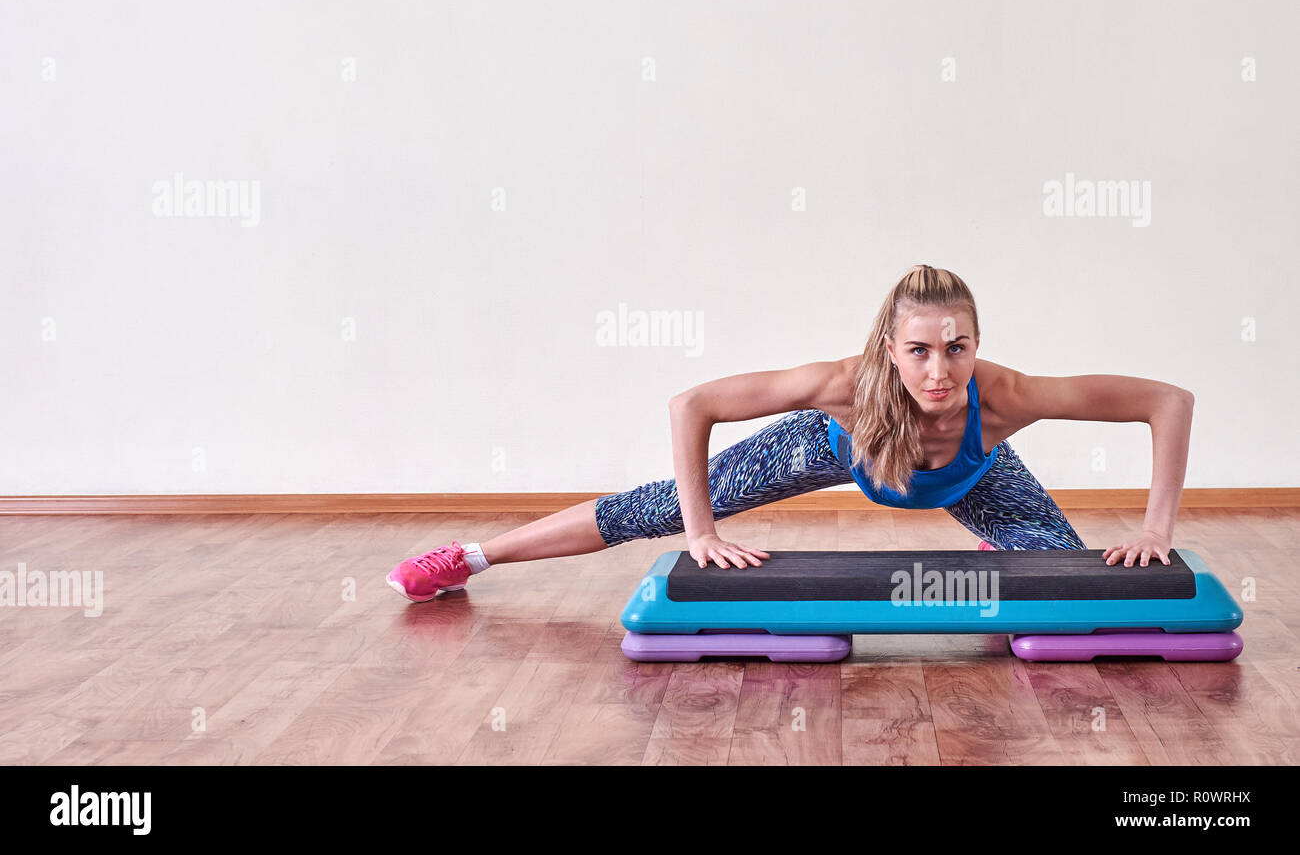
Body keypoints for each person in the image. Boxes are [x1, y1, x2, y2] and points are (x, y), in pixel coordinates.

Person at [387, 265, 1194, 603]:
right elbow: (690, 403)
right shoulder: (844, 387)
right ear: (891, 349)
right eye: (919, 350)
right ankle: (470, 558)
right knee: (655, 511)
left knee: (1072, 582)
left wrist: (1157, 526)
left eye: (957, 347)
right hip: (832, 449)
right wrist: (701, 530)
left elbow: (1168, 399)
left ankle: (995, 545)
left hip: (973, 477)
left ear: (976, 345)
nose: (939, 370)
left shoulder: (1010, 397)